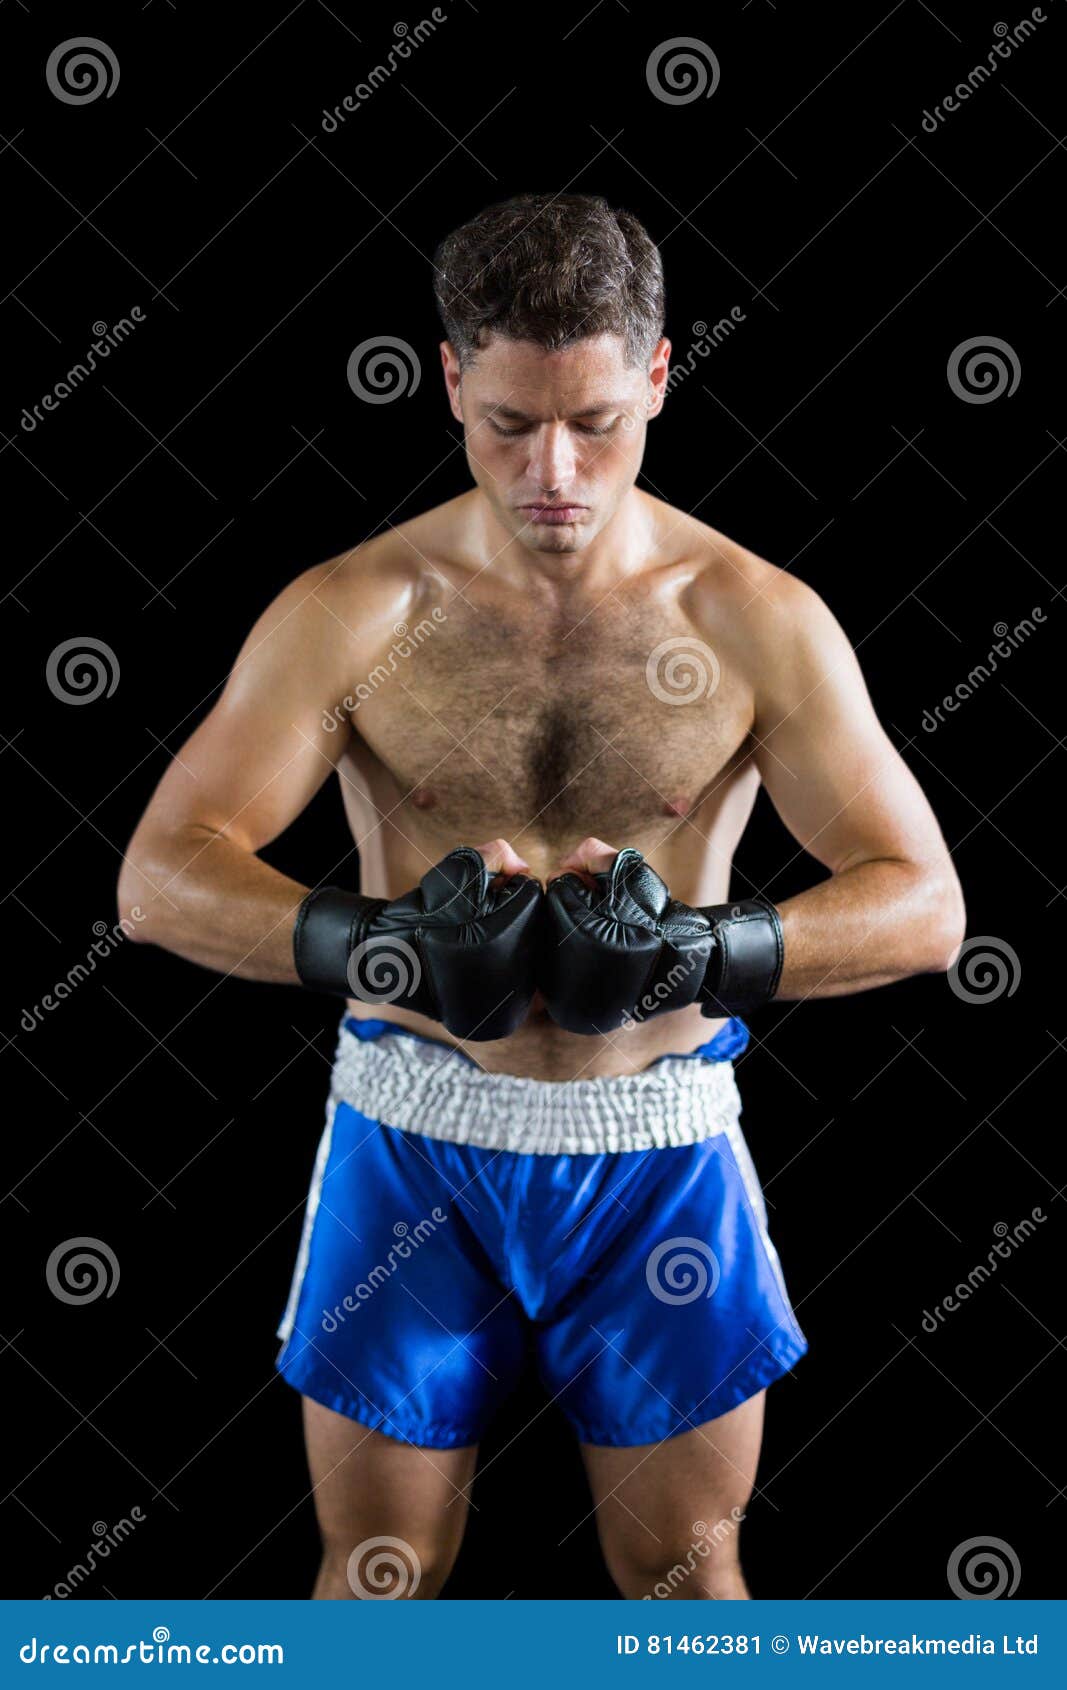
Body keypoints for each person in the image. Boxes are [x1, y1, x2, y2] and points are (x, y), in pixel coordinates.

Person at [117, 193, 965, 1600]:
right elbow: (158, 876)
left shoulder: (753, 617)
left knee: (687, 1576)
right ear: (450, 378)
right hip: (414, 1138)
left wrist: (703, 953)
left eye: (597, 423)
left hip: (658, 1147)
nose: (554, 469)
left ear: (659, 375)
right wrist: (379, 945)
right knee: (379, 1569)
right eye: (509, 423)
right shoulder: (358, 609)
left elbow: (927, 906)